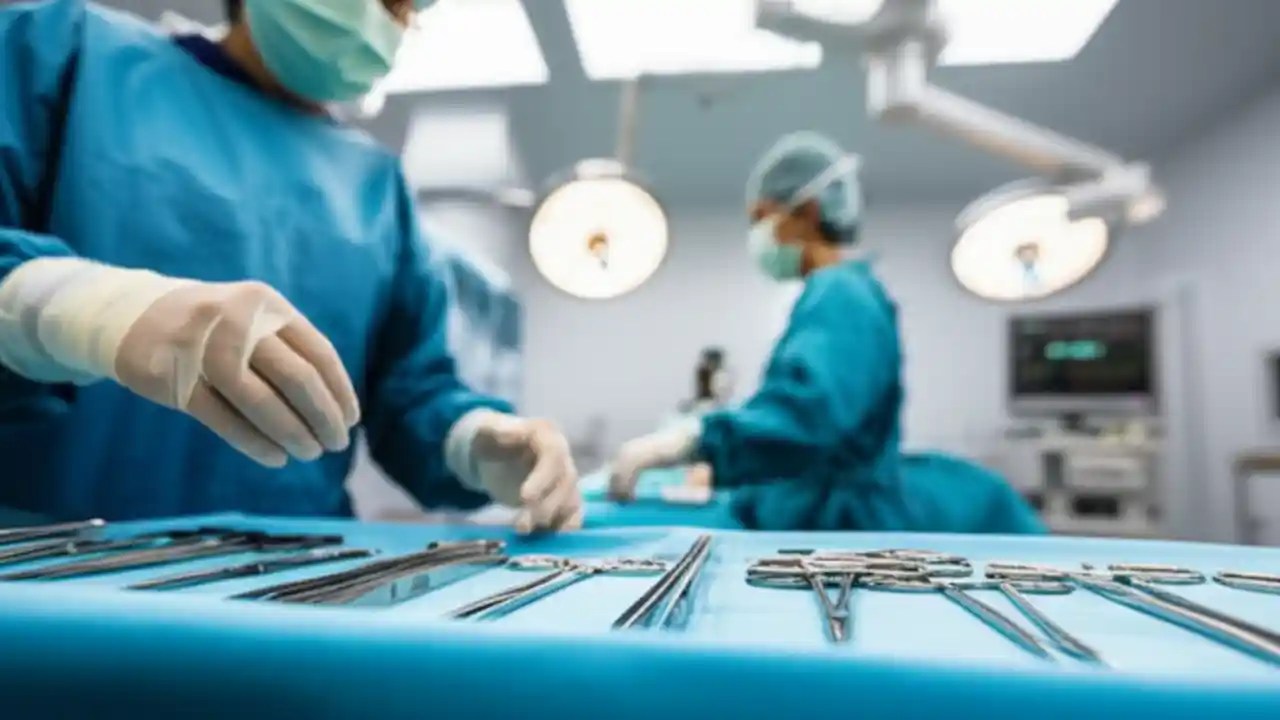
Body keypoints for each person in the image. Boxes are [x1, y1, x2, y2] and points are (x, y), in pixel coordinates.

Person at [0, 0, 581, 532]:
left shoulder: (375, 190)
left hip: (295, 585)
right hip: (50, 580)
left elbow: (410, 392)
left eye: (405, 8)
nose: (383, 18)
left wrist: (474, 442)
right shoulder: (60, 53)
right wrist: (87, 312)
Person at [609, 132, 1043, 534]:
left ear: (809, 211)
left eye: (762, 218)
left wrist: (694, 441)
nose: (758, 236)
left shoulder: (839, 292)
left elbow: (808, 417)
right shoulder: (838, 293)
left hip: (841, 525)